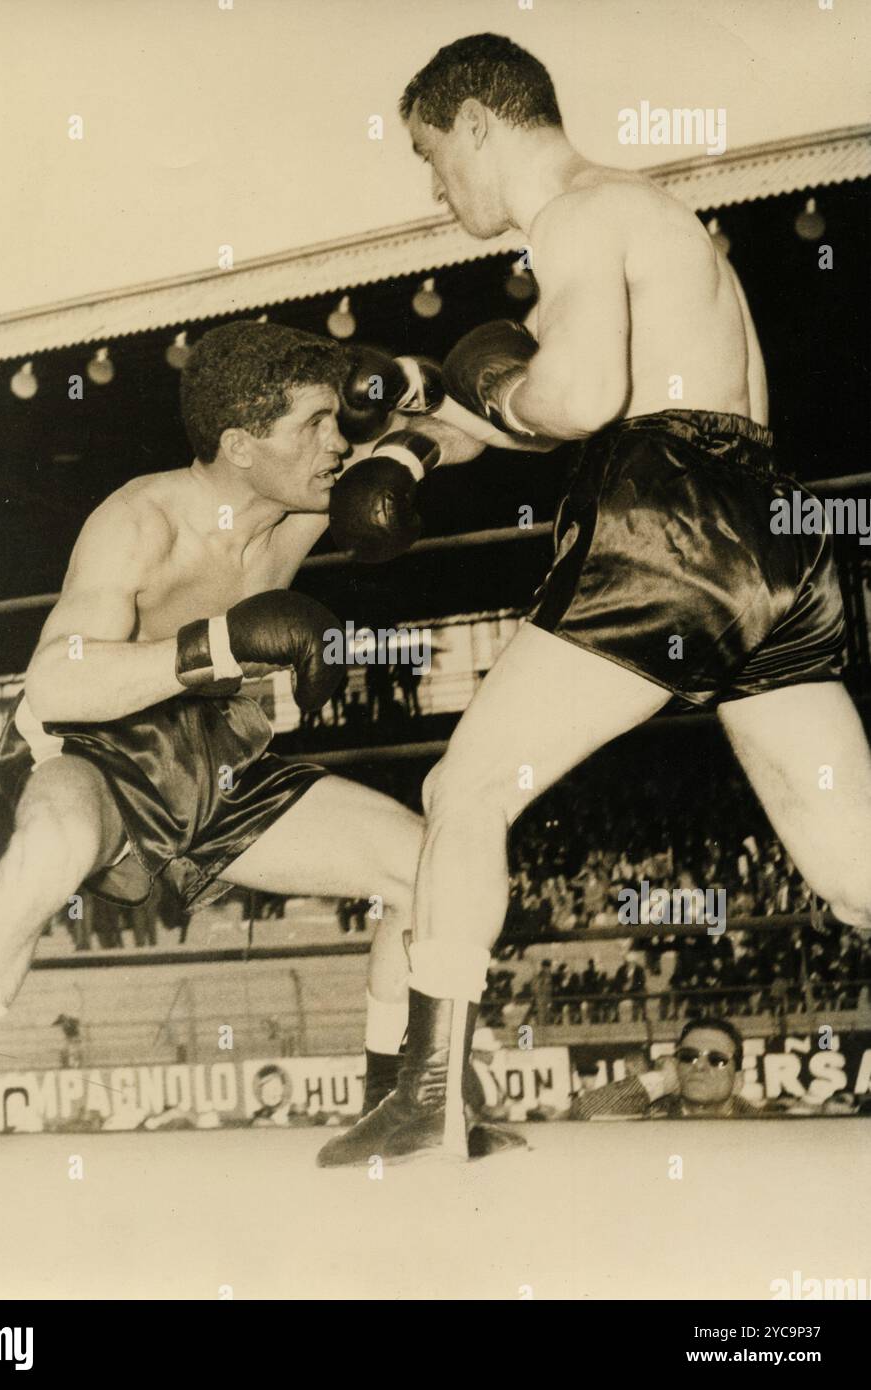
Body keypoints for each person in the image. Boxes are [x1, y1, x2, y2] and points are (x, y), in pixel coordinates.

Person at [318, 33, 870, 1166]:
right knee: (856, 874)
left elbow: (572, 397)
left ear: (476, 122)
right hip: (772, 540)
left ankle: (430, 1095)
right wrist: (417, 445)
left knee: (460, 788)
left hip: (664, 523)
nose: (433, 186)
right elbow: (543, 395)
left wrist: (495, 385)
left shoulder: (572, 212)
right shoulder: (651, 220)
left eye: (432, 155)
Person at [0, 320, 435, 1176]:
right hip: (92, 749)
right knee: (54, 845)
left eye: (338, 419)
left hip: (214, 755)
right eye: (315, 426)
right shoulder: (138, 522)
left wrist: (412, 407)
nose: (337, 443)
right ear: (240, 445)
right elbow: (57, 683)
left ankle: (390, 1103)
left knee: (424, 866)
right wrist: (216, 645)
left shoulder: (302, 504)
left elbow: (469, 425)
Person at [570, 1018, 763, 1119]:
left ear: (738, 1081)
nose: (700, 1066)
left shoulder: (762, 1126)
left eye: (716, 1059)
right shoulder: (652, 1114)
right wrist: (662, 1080)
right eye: (689, 1056)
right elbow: (584, 1112)